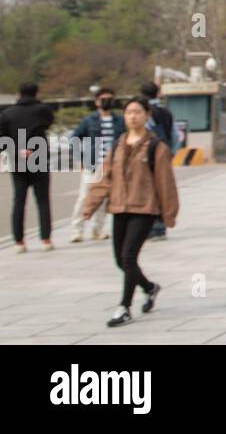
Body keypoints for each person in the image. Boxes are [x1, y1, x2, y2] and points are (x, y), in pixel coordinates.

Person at [82, 96, 180, 327]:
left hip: (144, 208)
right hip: (119, 207)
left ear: (147, 115)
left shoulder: (157, 147)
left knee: (128, 257)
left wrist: (169, 215)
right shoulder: (118, 145)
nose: (133, 116)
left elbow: (166, 184)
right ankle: (150, 287)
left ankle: (124, 307)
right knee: (120, 260)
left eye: (137, 112)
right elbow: (105, 178)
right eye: (128, 112)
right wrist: (90, 206)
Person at [1, 82, 55, 253]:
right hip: (38, 158)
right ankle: (45, 239)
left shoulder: (7, 114)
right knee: (43, 200)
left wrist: (17, 150)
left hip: (17, 161)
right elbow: (48, 123)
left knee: (19, 200)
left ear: (19, 92)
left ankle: (19, 242)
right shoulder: (43, 110)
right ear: (36, 92)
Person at [69, 88, 125, 243]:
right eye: (103, 99)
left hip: (113, 165)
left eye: (109, 99)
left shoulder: (120, 121)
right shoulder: (89, 120)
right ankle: (76, 230)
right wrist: (80, 159)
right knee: (84, 197)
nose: (107, 102)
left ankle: (97, 229)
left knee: (105, 199)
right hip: (92, 164)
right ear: (97, 102)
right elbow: (74, 139)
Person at [140, 81, 174, 240]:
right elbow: (175, 135)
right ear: (157, 93)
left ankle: (150, 227)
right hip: (164, 153)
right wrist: (171, 151)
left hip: (147, 155)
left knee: (147, 190)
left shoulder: (143, 112)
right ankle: (161, 225)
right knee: (162, 189)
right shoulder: (166, 111)